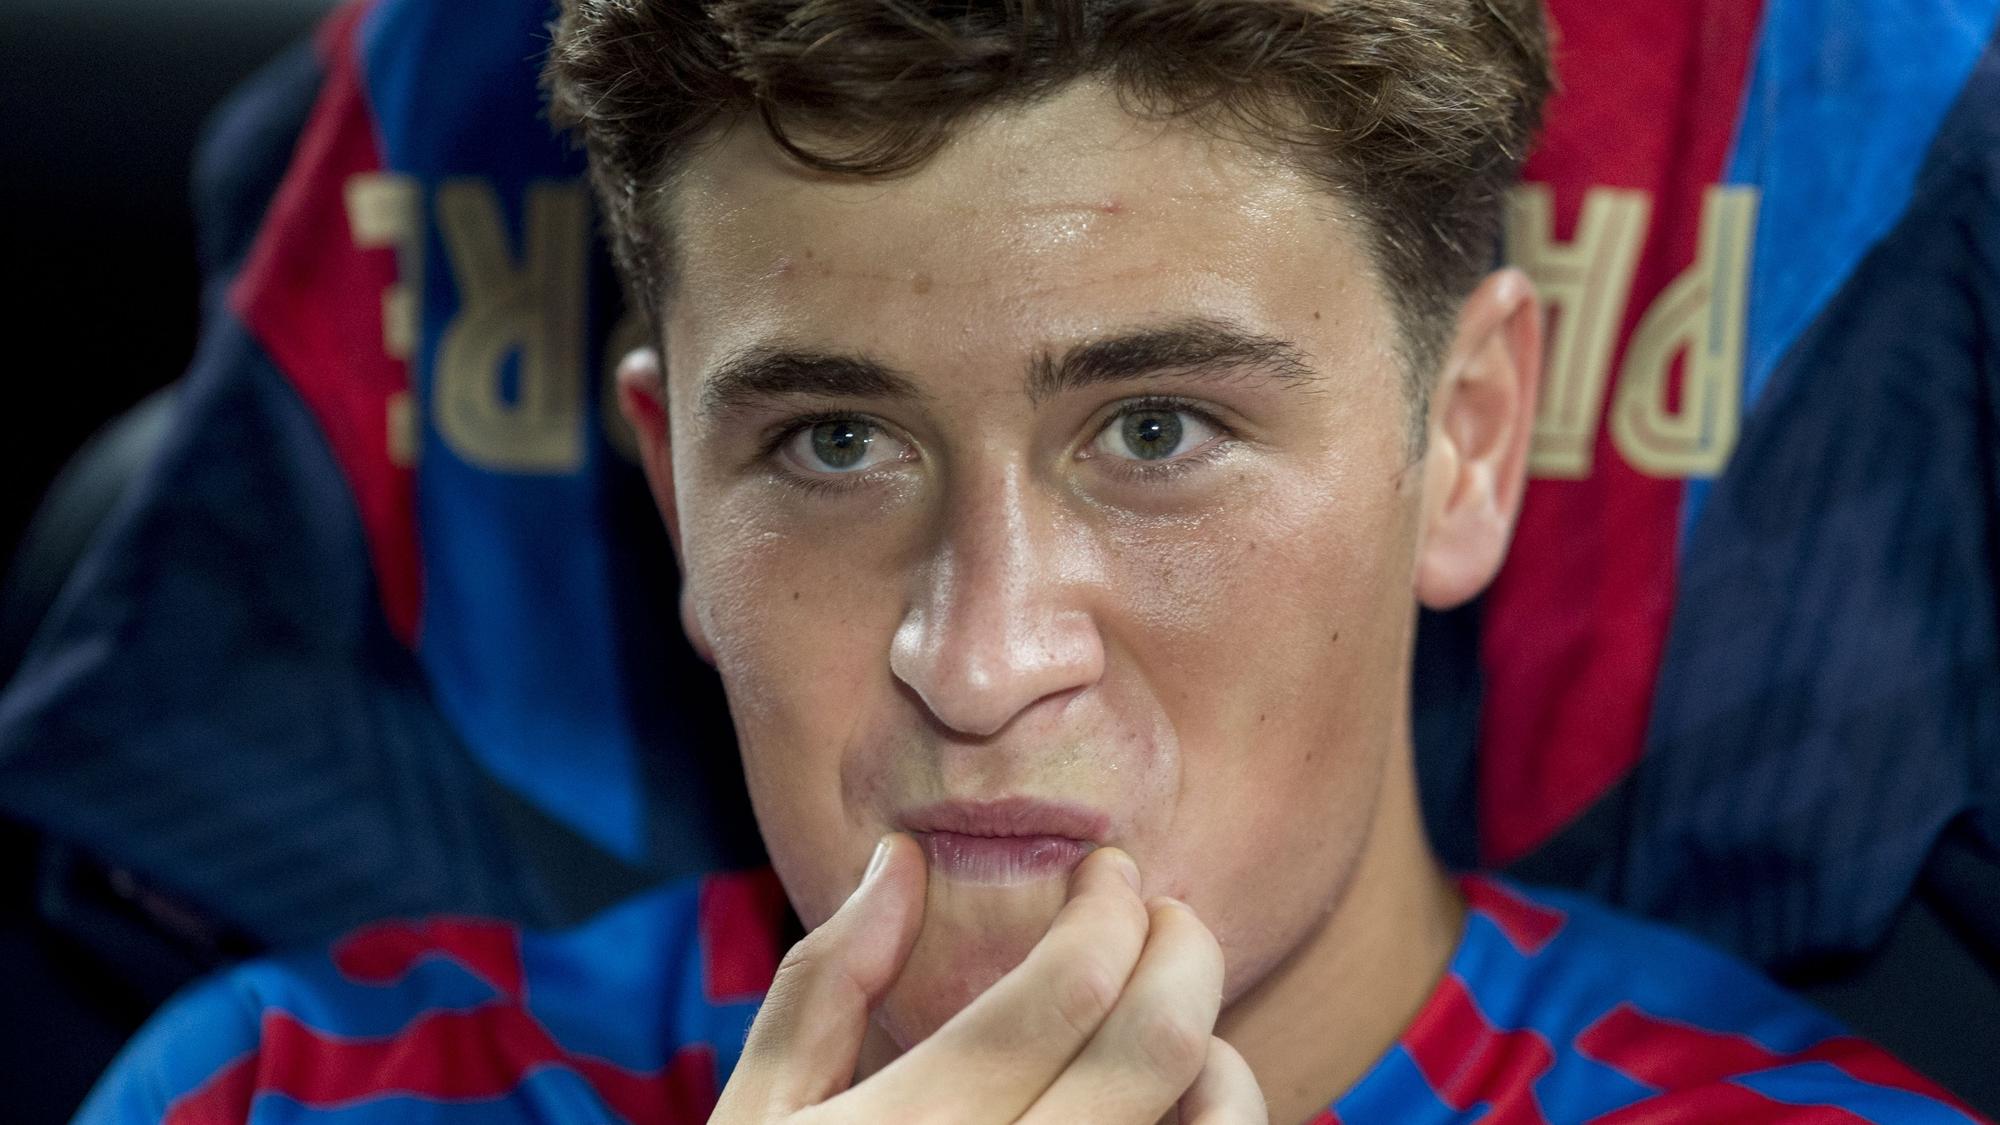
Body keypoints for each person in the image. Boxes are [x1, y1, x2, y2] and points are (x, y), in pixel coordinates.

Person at [72, 0, 1988, 1121]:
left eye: (1157, 432)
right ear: (675, 493)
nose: (980, 659)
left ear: (1466, 437)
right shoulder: (287, 1091)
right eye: (834, 444)